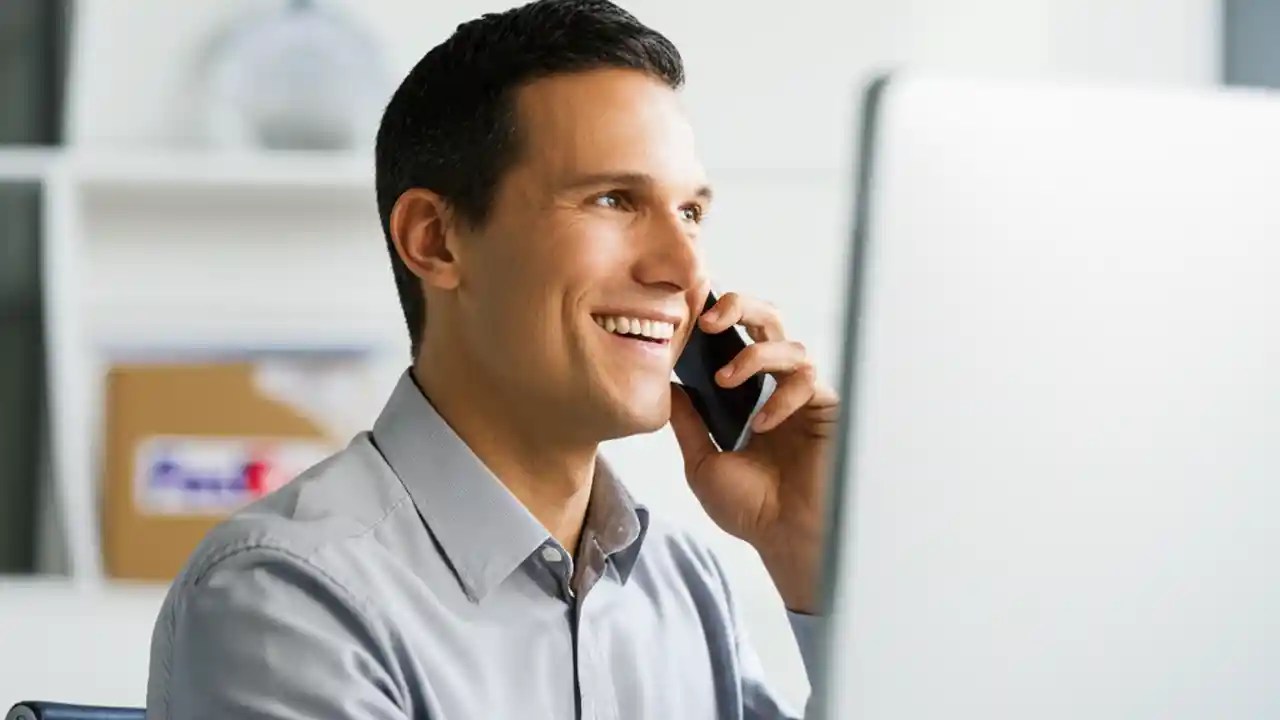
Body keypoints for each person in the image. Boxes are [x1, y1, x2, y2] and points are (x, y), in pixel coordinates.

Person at [145, 1, 838, 717]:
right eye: (612, 199)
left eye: (690, 213)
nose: (683, 269)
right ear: (436, 240)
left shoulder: (684, 590)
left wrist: (819, 570)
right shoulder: (284, 594)